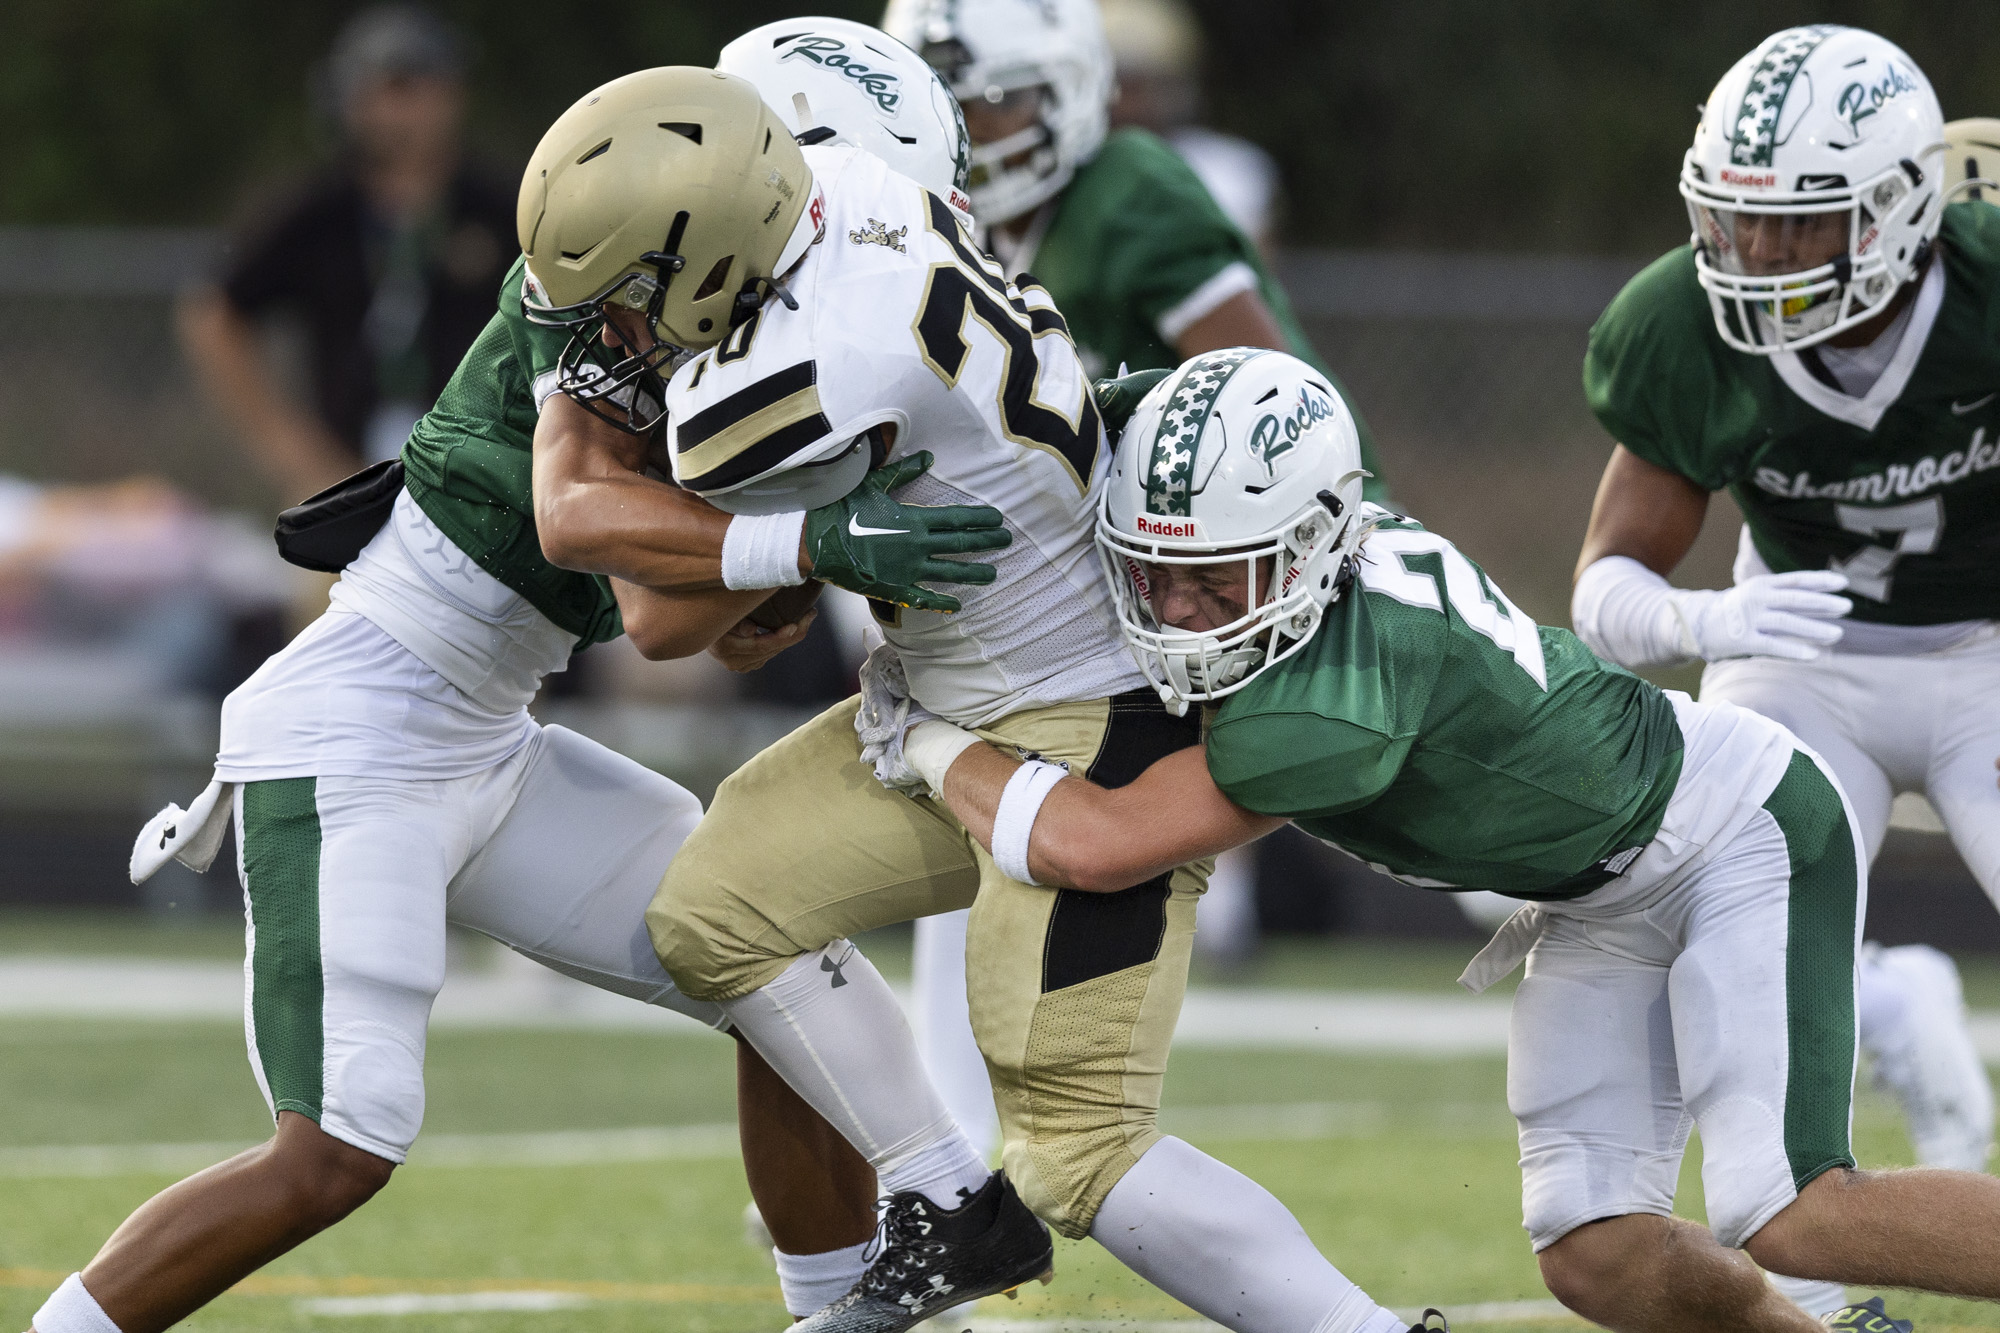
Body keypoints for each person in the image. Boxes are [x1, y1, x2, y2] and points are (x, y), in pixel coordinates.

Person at [20, 56, 1016, 1333]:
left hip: (491, 737)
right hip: (354, 736)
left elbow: (725, 633)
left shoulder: (763, 323)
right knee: (337, 1152)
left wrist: (791, 560)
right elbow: (616, 562)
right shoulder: (611, 269)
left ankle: (884, 1276)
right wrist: (807, 544)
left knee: (764, 934)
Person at [516, 59, 1450, 1333]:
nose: (612, 333)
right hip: (938, 701)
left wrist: (571, 407)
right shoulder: (851, 189)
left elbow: (660, 617)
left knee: (1082, 1150)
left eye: (626, 302)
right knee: (713, 911)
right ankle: (948, 1201)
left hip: (1088, 713)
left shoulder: (782, 381)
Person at [881, 345, 2000, 1333]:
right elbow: (1073, 410)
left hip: (1732, 829)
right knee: (1592, 1250)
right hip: (1595, 889)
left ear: (1311, 545)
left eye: (1214, 580)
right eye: (1152, 571)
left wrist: (926, 735)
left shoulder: (1325, 701)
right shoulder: (1297, 556)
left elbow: (1092, 842)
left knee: (1787, 1207)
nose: (1176, 612)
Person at [1568, 28, 2000, 1292]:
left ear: (1899, 206)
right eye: (1735, 220)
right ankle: (1815, 1301)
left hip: (1986, 651)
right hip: (1798, 658)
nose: (1756, 256)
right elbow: (1604, 584)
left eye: (1798, 224)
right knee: (1739, 997)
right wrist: (1708, 624)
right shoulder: (1674, 324)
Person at [179, 6, 516, 503]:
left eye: (428, 84)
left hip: (476, 480)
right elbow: (214, 313)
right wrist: (289, 449)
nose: (413, 106)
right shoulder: (319, 212)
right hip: (348, 482)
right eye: (395, 87)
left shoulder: (500, 208)